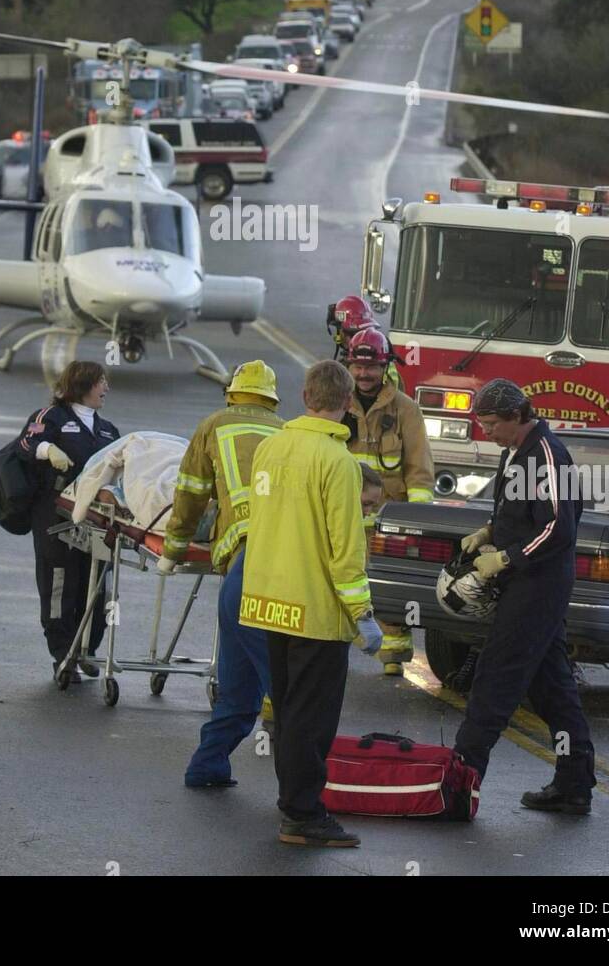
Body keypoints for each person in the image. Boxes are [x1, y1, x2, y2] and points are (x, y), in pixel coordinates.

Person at [240, 359, 382, 849]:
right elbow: (346, 550)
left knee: (286, 709)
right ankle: (302, 814)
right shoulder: (337, 463)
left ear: (304, 398)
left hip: (268, 602)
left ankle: (292, 803)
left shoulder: (270, 447)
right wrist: (362, 614)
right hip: (315, 610)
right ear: (347, 405)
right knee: (312, 718)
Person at [452, 377, 597, 814]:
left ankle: (459, 780)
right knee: (553, 689)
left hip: (539, 587)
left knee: (495, 679)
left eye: (492, 423)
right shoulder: (516, 452)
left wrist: (507, 558)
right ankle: (574, 783)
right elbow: (527, 514)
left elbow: (558, 527)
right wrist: (490, 534)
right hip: (527, 582)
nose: (486, 432)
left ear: (519, 416)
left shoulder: (548, 457)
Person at [157, 361, 284, 789]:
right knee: (288, 687)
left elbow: (190, 494)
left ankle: (208, 765)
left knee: (239, 682)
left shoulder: (214, 424)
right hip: (272, 567)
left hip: (239, 570)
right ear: (271, 399)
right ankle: (309, 792)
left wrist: (172, 550)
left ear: (232, 394)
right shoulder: (288, 433)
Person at [18, 361, 120, 682]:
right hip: (56, 513)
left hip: (97, 518)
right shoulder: (52, 417)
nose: (106, 388)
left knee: (97, 585)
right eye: (101, 382)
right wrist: (48, 449)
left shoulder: (108, 430)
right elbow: (26, 444)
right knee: (61, 583)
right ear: (83, 384)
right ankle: (63, 653)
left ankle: (87, 649)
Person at [343, 326, 434, 674]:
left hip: (387, 521)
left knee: (389, 586)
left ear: (385, 368)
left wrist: (415, 521)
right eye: (357, 366)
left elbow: (419, 467)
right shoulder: (338, 403)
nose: (363, 374)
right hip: (345, 516)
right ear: (349, 366)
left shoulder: (406, 410)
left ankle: (393, 655)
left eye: (371, 367)